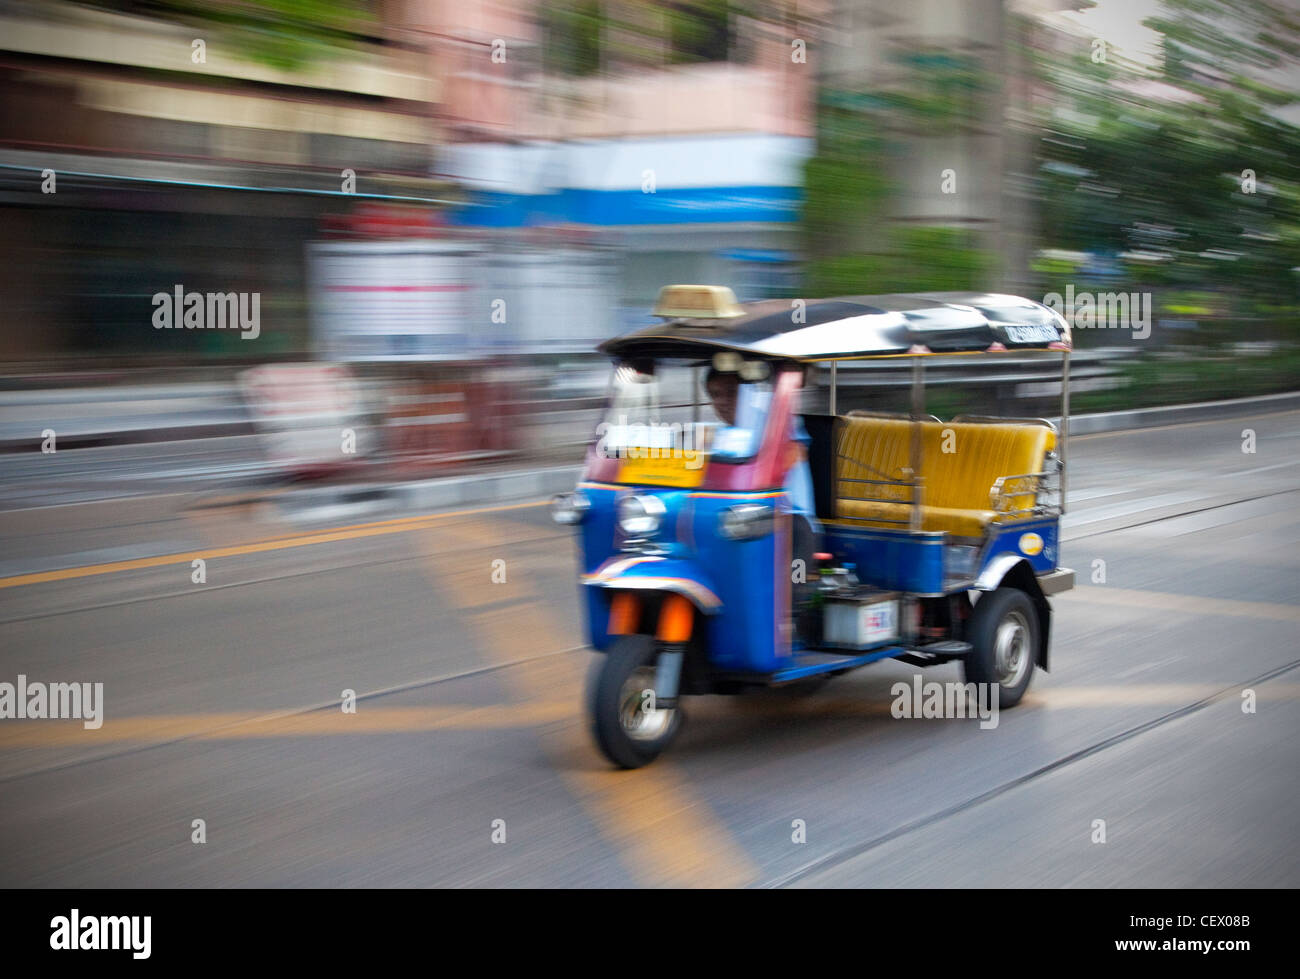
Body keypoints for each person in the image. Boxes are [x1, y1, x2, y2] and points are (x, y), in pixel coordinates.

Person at [704, 367, 820, 532]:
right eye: (716, 395)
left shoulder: (777, 427)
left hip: (790, 528)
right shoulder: (722, 436)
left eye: (731, 392)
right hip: (739, 523)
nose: (722, 401)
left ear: (748, 393)